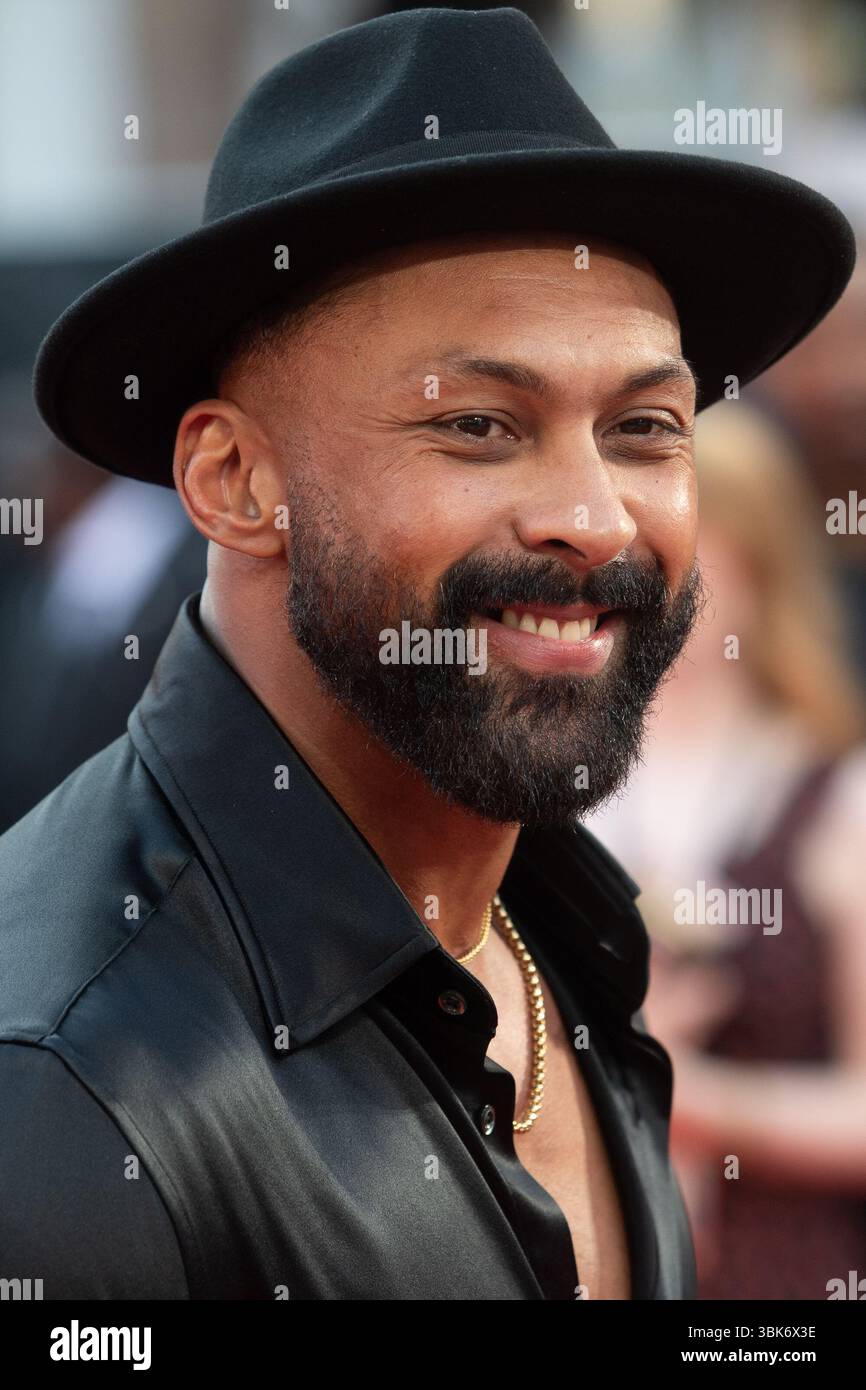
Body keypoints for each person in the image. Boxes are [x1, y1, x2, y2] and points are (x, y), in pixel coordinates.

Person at [0, 7, 855, 1300]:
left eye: (643, 426)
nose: (590, 516)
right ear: (234, 480)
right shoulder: (59, 1077)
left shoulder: (569, 936)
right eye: (476, 424)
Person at [584, 402, 866, 1299]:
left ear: (758, 565)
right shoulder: (546, 791)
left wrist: (691, 1094)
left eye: (694, 557)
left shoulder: (836, 797)